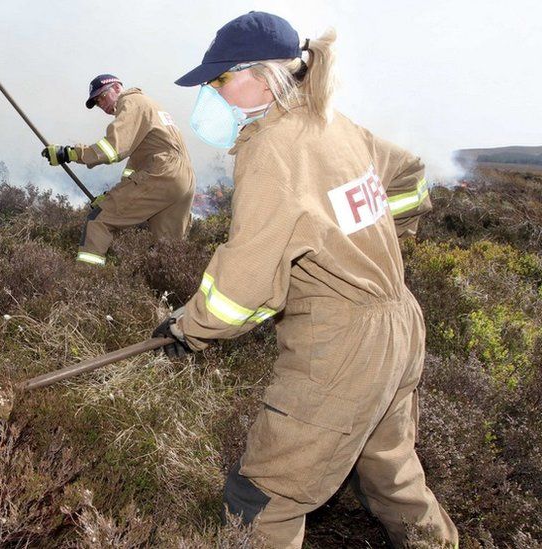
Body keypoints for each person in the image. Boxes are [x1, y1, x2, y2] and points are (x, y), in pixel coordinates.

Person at [151, 11, 458, 549]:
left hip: (341, 350)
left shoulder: (272, 147)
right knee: (391, 473)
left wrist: (187, 329)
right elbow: (409, 173)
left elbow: (242, 288)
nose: (211, 91)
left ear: (260, 74)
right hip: (399, 324)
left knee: (263, 499)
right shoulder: (332, 122)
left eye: (220, 79)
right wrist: (386, 235)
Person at [42, 74, 196, 266]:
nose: (102, 105)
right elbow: (134, 171)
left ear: (116, 88)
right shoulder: (150, 106)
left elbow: (112, 149)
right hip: (183, 179)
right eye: (98, 103)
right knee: (169, 249)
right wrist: (111, 195)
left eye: (102, 97)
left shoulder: (131, 101)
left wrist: (70, 153)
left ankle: (84, 286)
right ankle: (171, 292)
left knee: (98, 221)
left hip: (162, 173)